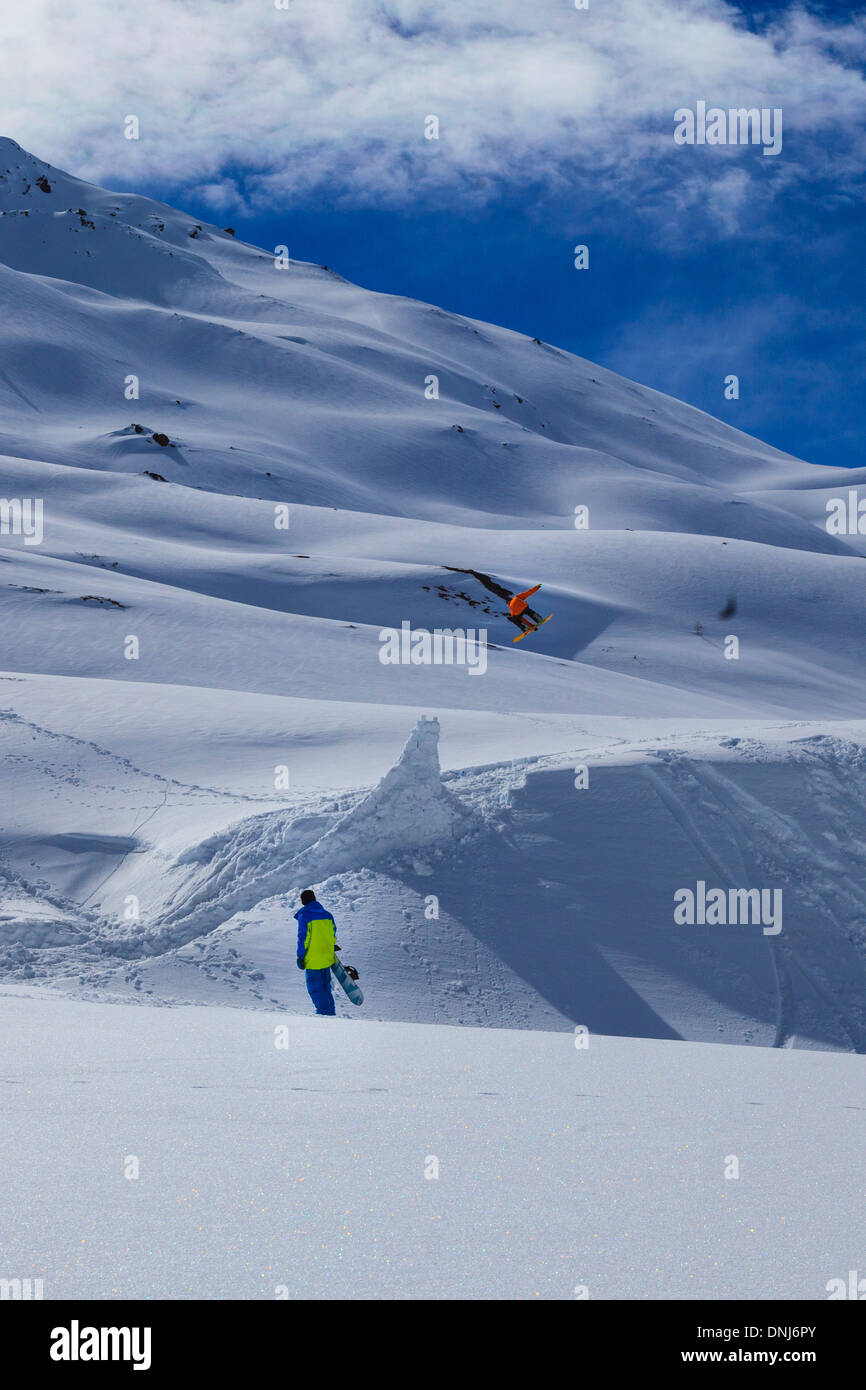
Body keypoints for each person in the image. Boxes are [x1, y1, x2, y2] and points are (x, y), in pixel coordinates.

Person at [295, 889, 338, 1015]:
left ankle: (324, 1017)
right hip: (326, 958)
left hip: (313, 960)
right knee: (325, 988)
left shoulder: (305, 916)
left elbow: (303, 939)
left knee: (316, 989)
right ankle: (331, 1014)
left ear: (303, 901)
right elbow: (333, 935)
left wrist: (300, 957)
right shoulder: (328, 915)